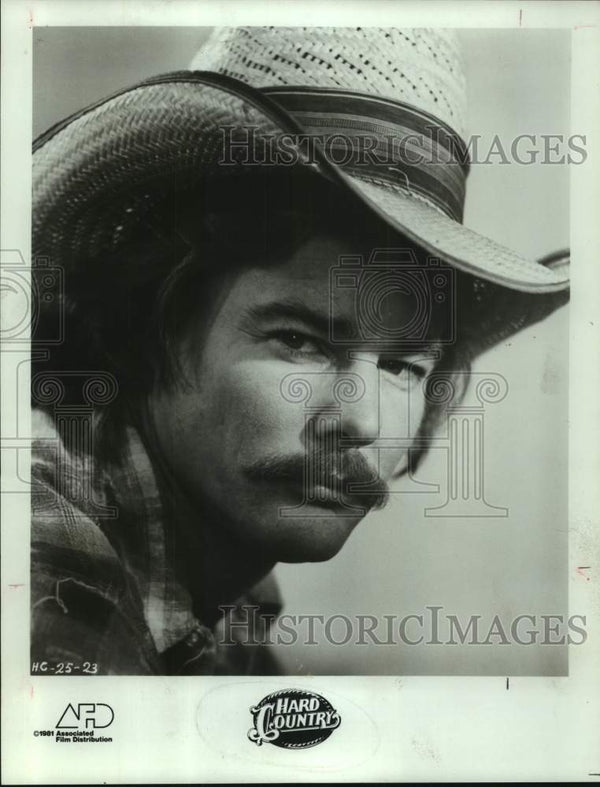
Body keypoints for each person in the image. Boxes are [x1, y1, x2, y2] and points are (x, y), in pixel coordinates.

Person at [30, 27, 569, 675]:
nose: (360, 421)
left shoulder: (225, 583)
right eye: (300, 341)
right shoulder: (45, 560)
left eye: (402, 365)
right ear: (148, 327)